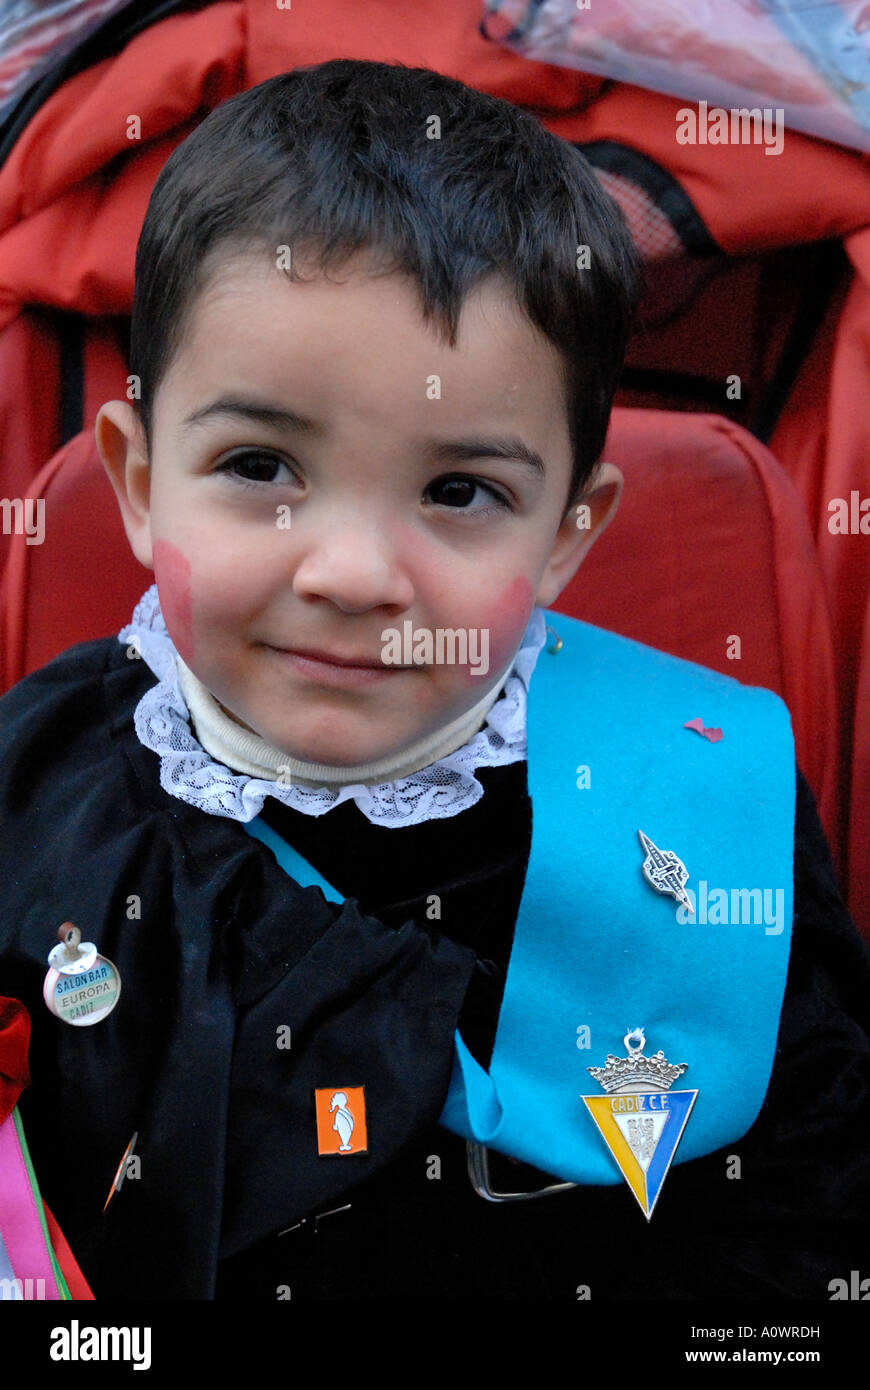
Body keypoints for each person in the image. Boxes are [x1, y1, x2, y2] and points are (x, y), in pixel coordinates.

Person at [0, 58, 867, 1303]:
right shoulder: (35, 788)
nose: (353, 573)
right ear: (138, 485)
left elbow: (806, 1223)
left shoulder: (706, 803)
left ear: (567, 531)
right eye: (258, 463)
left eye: (461, 492)